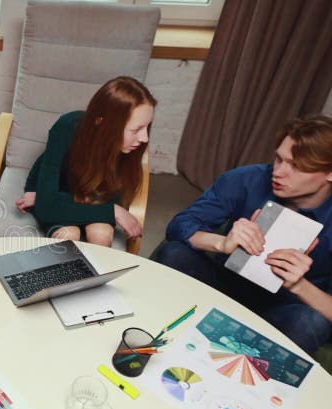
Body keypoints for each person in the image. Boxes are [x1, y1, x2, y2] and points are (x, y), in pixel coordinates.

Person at [155, 115, 332, 354]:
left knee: (311, 323)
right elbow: (180, 225)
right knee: (174, 253)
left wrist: (299, 285)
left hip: (282, 309)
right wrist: (221, 243)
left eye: (296, 166)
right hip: (225, 283)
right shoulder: (248, 179)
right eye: (279, 158)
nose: (279, 172)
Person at [16, 76, 156, 246]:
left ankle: (97, 273)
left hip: (90, 198)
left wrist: (109, 209)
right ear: (103, 124)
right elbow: (48, 207)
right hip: (64, 192)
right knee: (69, 235)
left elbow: (111, 199)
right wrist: (113, 211)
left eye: (147, 127)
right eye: (136, 129)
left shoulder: (131, 148)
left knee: (101, 233)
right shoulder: (67, 126)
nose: (144, 138)